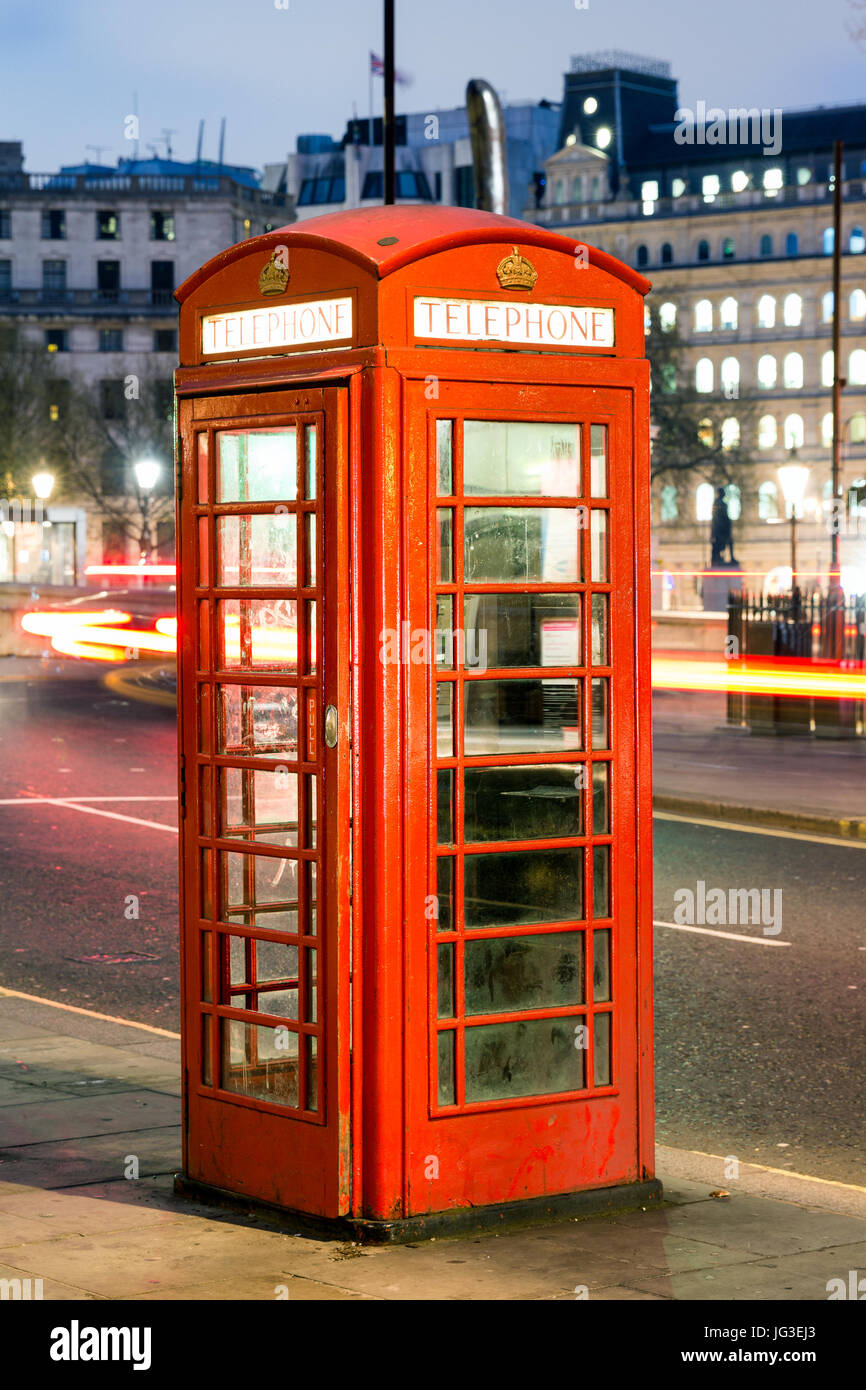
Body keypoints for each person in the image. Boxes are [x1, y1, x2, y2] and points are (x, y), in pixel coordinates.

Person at [710, 485, 737, 566]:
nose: (724, 494)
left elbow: (724, 516)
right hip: (720, 529)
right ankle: (722, 558)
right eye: (723, 492)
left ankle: (731, 558)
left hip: (723, 528)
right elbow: (718, 517)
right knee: (724, 543)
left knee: (730, 542)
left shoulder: (722, 504)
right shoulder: (718, 503)